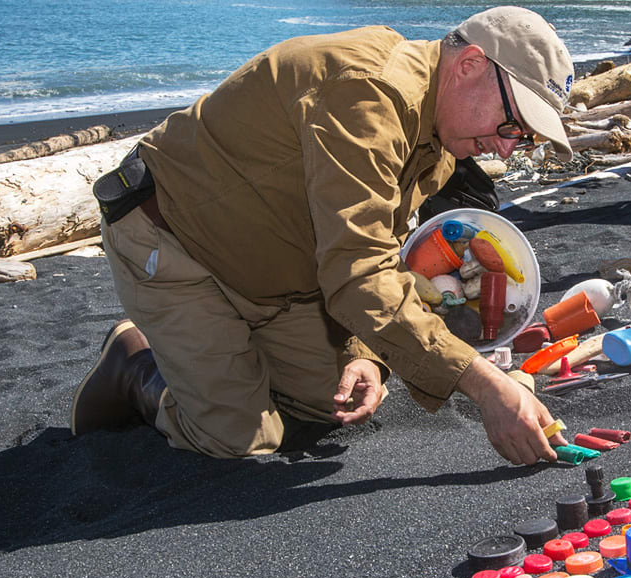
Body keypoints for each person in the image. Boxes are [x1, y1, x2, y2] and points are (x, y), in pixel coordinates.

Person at [71, 6, 575, 464]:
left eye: (525, 137)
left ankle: (224, 358)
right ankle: (135, 362)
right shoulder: (366, 95)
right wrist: (488, 387)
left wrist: (369, 357)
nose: (508, 150)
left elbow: (380, 250)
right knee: (240, 440)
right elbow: (358, 273)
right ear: (469, 64)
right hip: (178, 246)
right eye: (513, 124)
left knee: (330, 403)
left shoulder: (439, 142)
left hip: (280, 275)